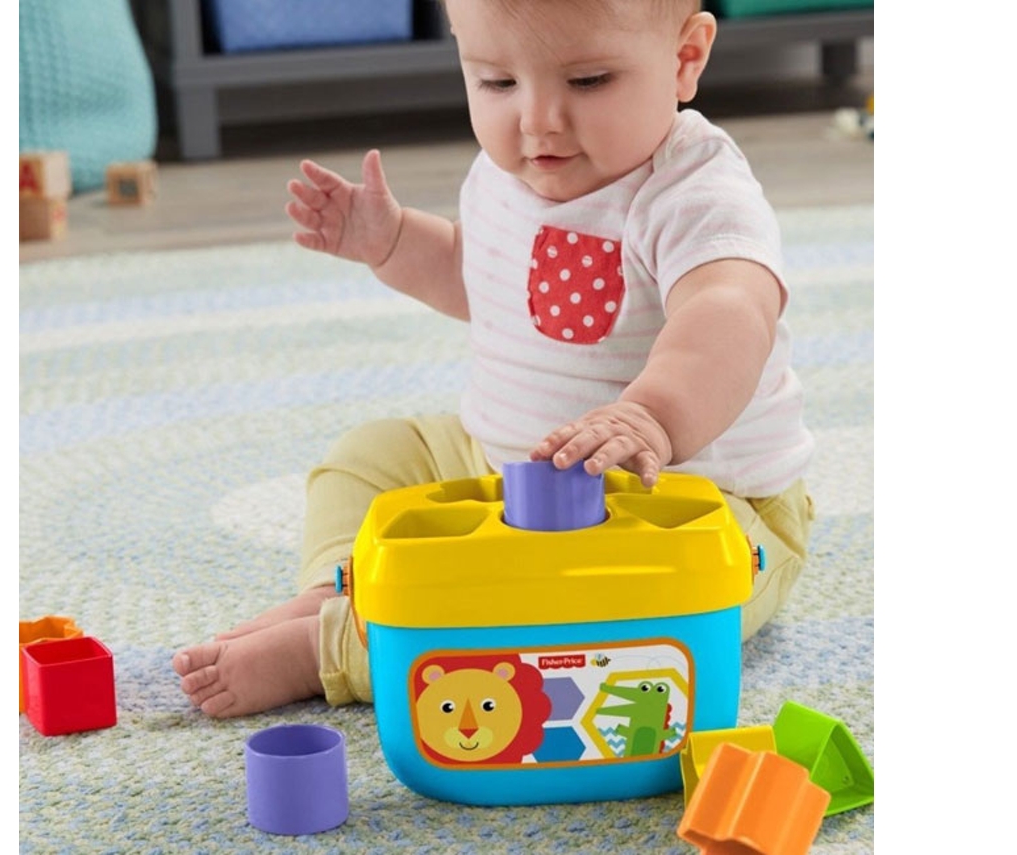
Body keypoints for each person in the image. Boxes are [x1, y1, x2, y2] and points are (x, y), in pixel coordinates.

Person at [173, 0, 815, 718]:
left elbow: (728, 312)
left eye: (589, 81)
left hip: (691, 506)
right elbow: (478, 277)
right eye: (498, 82)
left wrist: (651, 416)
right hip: (503, 465)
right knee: (368, 458)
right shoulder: (506, 176)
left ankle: (342, 649)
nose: (538, 121)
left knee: (591, 615)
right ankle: (342, 585)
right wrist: (394, 243)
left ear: (685, 59)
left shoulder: (694, 193)